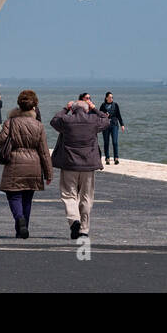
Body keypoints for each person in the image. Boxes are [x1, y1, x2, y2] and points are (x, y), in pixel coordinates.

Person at [50, 97, 111, 240]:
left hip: (70, 164)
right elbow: (107, 120)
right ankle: (84, 229)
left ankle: (74, 220)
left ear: (73, 109)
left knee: (68, 195)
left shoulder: (67, 121)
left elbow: (54, 121)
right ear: (86, 109)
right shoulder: (93, 120)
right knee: (86, 197)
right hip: (88, 165)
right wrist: (94, 108)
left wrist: (66, 108)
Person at [0, 90, 53, 239]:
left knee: (14, 196)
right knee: (27, 197)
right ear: (34, 106)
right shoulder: (39, 125)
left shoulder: (11, 122)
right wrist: (49, 173)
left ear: (19, 105)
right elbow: (44, 151)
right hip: (34, 164)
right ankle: (23, 228)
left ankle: (19, 218)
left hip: (15, 162)